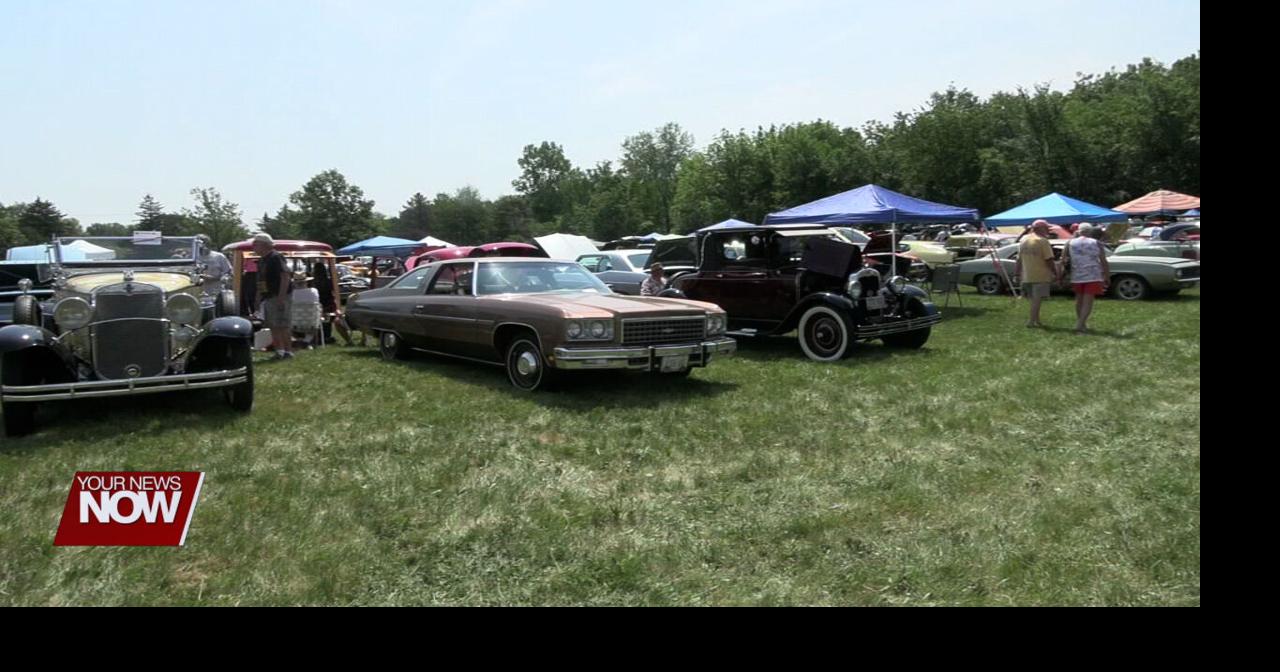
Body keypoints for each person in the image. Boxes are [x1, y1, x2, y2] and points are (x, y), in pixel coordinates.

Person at [1062, 225, 1110, 334]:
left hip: (1076, 275)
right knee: (1088, 301)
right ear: (1090, 232)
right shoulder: (1096, 243)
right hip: (1092, 275)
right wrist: (1106, 275)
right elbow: (1103, 261)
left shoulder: (1070, 243)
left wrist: (1061, 275)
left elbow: (1063, 260)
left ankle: (1082, 323)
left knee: (1079, 300)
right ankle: (1080, 324)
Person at [253, 233, 294, 359]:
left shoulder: (276, 257)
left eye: (256, 244)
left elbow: (285, 276)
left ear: (265, 244)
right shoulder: (261, 261)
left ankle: (288, 352)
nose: (253, 247)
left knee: (282, 324)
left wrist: (281, 297)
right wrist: (258, 297)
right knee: (272, 325)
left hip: (280, 295)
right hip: (269, 296)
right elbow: (261, 281)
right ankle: (279, 351)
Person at [1014, 220, 1059, 328]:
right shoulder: (1043, 241)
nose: (1048, 230)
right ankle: (1031, 321)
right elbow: (1049, 259)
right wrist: (1055, 273)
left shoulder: (1024, 239)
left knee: (1033, 299)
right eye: (1046, 228)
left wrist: (1017, 273)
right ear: (1041, 228)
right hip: (1040, 274)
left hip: (1027, 275)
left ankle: (1037, 320)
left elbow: (1019, 259)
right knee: (1037, 300)